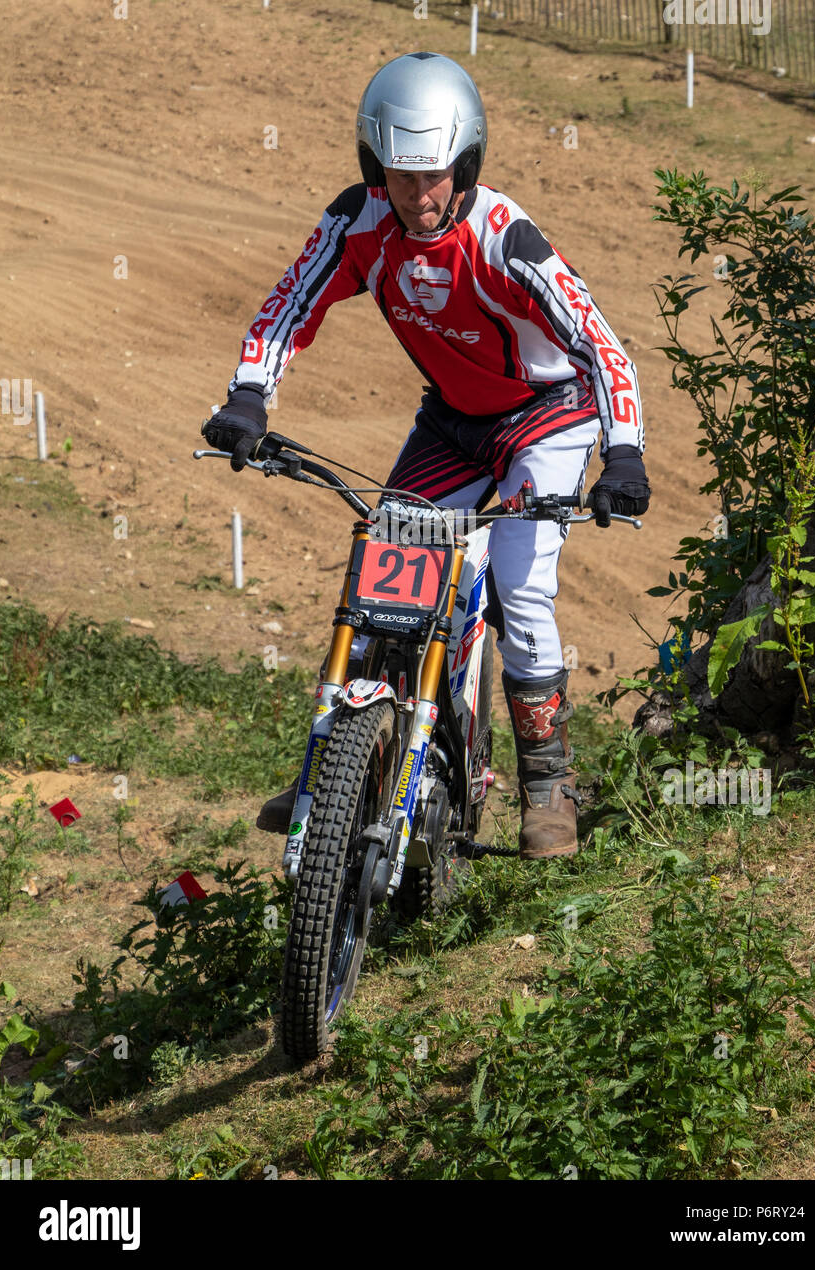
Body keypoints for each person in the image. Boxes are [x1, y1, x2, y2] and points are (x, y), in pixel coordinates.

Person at [203, 51, 650, 859]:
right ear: (375, 166)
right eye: (400, 176)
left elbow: (601, 347)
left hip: (546, 421)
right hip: (452, 426)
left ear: (467, 162)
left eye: (436, 175)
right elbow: (286, 304)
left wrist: (623, 454)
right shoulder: (358, 221)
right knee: (386, 566)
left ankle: (547, 786)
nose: (420, 196)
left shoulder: (506, 240)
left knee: (521, 588)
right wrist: (247, 394)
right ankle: (334, 770)